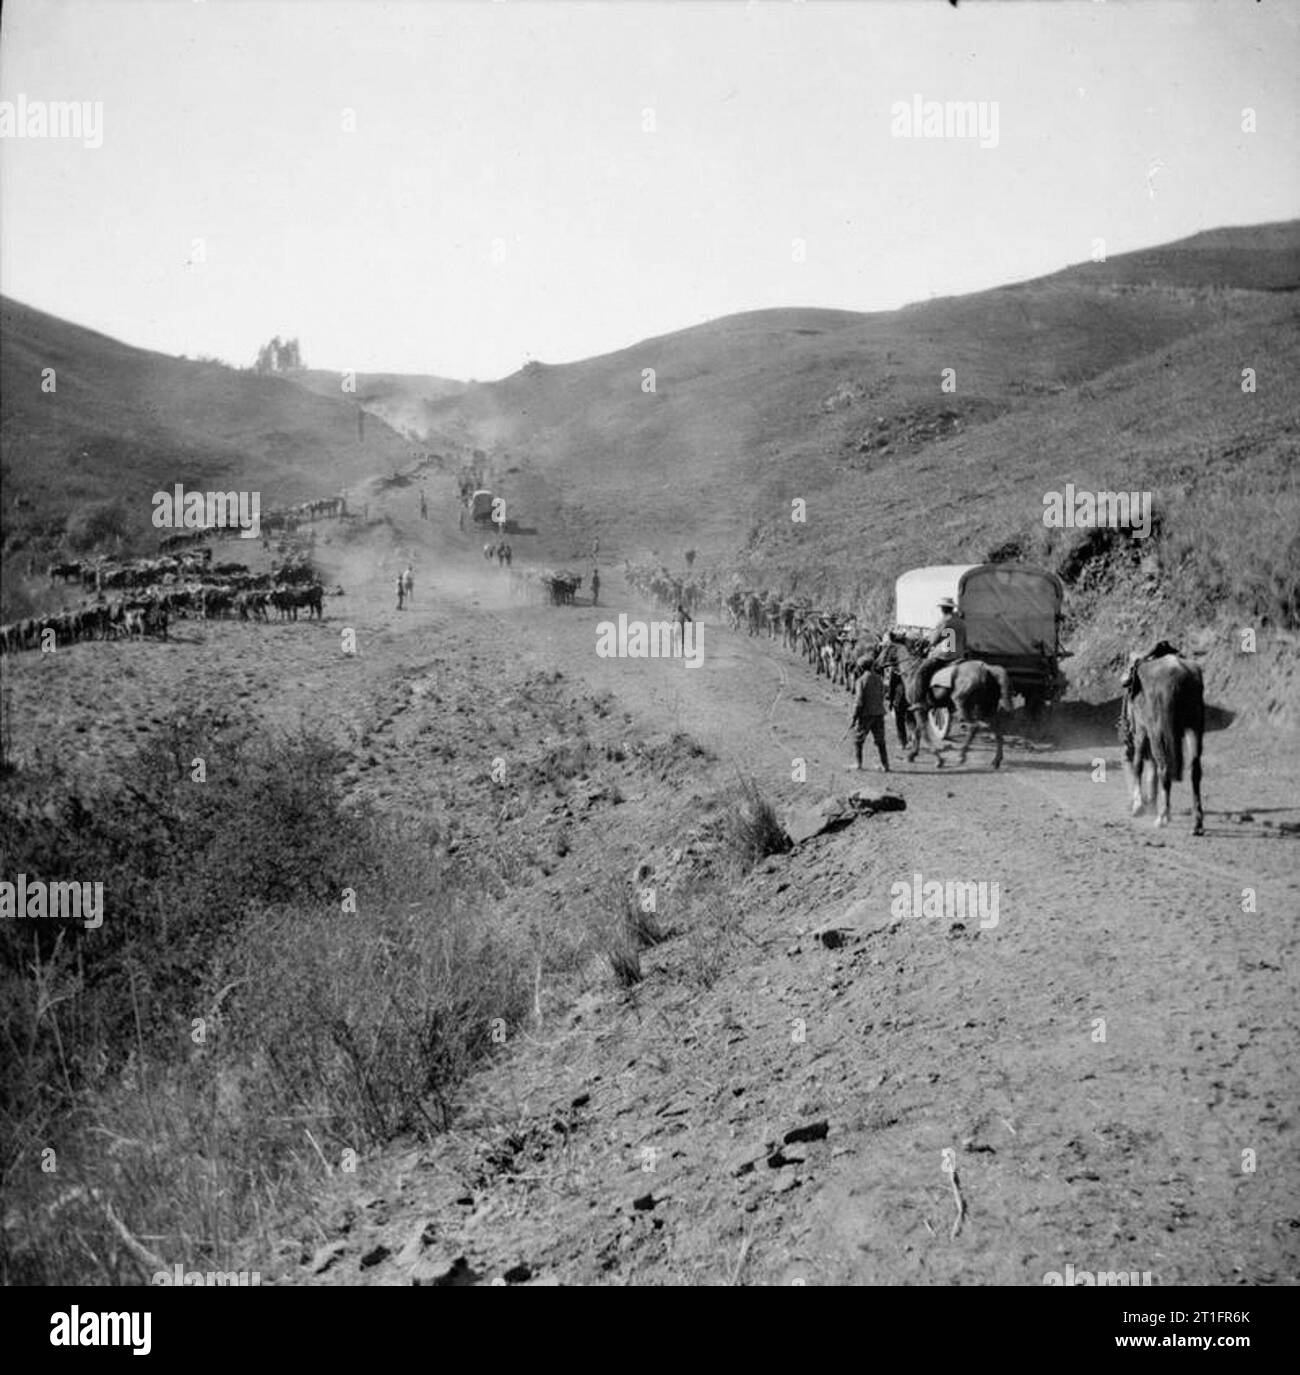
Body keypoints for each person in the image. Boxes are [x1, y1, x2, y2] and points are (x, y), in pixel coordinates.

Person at [916, 596, 967, 704]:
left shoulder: (944, 622)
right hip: (959, 656)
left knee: (921, 672)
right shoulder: (961, 622)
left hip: (944, 656)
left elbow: (933, 640)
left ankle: (920, 701)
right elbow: (965, 640)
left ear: (943, 609)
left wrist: (928, 645)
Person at [850, 657, 890, 771]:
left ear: (861, 667)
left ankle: (858, 764)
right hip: (879, 713)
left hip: (866, 715)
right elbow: (883, 694)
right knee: (880, 741)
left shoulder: (860, 681)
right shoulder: (879, 679)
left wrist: (854, 717)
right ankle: (885, 765)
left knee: (858, 740)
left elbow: (858, 701)